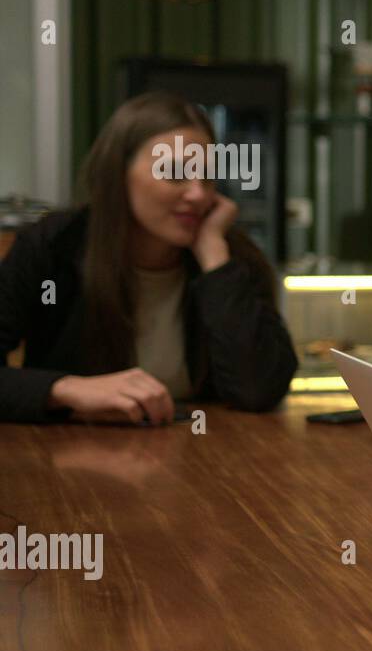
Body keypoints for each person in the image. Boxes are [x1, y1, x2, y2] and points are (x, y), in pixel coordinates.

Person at [0, 91, 297, 424]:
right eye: (174, 173)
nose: (198, 194)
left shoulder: (231, 255)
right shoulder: (53, 247)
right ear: (118, 175)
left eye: (207, 177)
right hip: (69, 461)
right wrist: (66, 389)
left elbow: (259, 389)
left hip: (207, 458)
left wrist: (213, 256)